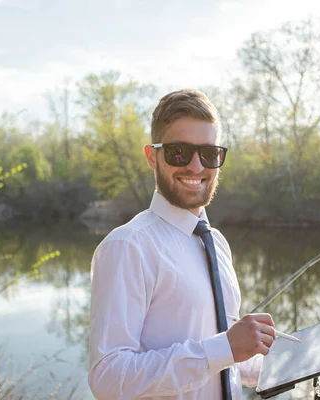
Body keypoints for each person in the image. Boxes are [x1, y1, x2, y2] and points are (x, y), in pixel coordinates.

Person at [88, 89, 277, 400]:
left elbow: (221, 359)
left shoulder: (216, 242)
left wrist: (283, 363)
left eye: (209, 153)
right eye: (179, 152)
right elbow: (108, 378)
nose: (196, 166)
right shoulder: (128, 246)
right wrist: (226, 347)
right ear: (153, 156)